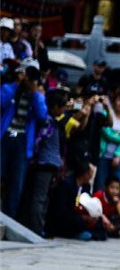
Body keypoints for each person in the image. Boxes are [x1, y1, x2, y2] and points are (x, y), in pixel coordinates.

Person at [18, 88, 68, 235]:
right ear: (53, 107)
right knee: (39, 198)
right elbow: (39, 140)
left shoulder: (52, 121)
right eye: (62, 106)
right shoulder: (48, 122)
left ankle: (38, 226)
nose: (64, 109)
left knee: (41, 197)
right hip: (44, 163)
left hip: (49, 163)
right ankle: (36, 228)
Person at [1, 59, 47, 218]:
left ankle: (9, 221)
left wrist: (34, 92)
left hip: (22, 142)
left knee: (16, 185)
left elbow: (42, 115)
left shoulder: (37, 95)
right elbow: (1, 101)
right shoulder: (9, 87)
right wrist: (16, 83)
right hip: (4, 138)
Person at [45, 161, 106, 240]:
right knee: (78, 221)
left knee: (99, 224)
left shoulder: (86, 186)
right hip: (67, 217)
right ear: (85, 174)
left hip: (80, 214)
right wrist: (83, 217)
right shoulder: (66, 185)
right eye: (90, 174)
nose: (91, 176)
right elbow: (62, 210)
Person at [94, 93, 120, 193]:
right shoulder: (106, 114)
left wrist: (117, 155)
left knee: (114, 191)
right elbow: (106, 133)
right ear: (114, 101)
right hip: (104, 156)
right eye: (119, 100)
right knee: (100, 187)